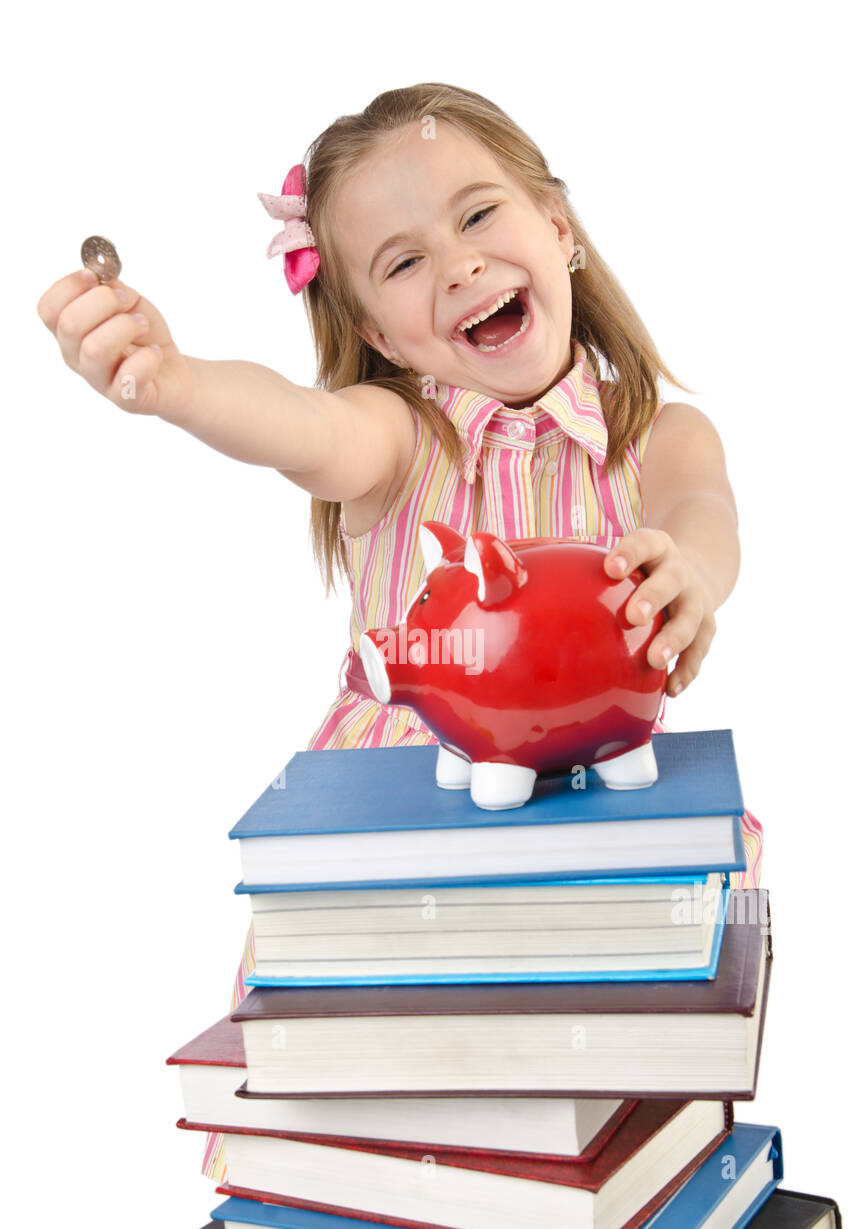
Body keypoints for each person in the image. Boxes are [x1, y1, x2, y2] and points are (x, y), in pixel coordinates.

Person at [36, 81, 763, 1030]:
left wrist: (691, 577)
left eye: (478, 214)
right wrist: (176, 383)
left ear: (557, 226)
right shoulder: (396, 435)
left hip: (595, 801)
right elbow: (295, 422)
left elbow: (703, 517)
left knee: (595, 1077)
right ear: (378, 332)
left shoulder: (660, 434)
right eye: (405, 260)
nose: (459, 266)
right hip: (401, 825)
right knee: (386, 1072)